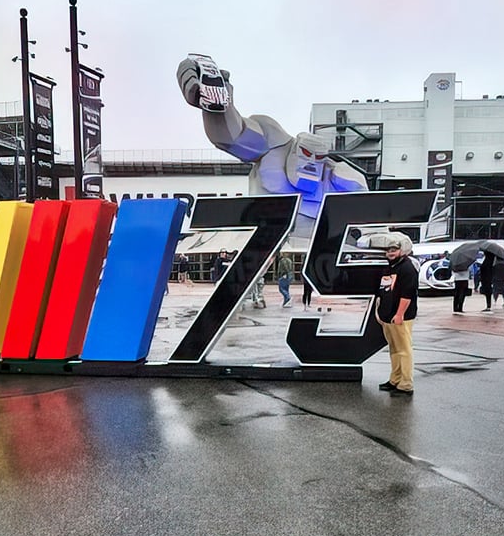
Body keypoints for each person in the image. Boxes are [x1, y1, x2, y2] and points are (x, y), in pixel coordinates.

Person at [177, 57, 368, 238]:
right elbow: (233, 136)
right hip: (269, 244)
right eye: (307, 154)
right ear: (296, 149)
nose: (311, 164)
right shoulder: (274, 145)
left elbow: (368, 221)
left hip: (318, 252)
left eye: (319, 158)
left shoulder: (339, 177)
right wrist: (217, 103)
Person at [375, 236, 418, 397]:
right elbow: (383, 290)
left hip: (401, 317)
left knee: (404, 350)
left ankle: (406, 383)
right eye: (388, 250)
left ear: (402, 250)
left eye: (394, 250)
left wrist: (400, 314)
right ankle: (395, 379)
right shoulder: (390, 267)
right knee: (394, 349)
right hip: (388, 316)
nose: (390, 253)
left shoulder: (407, 268)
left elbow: (408, 294)